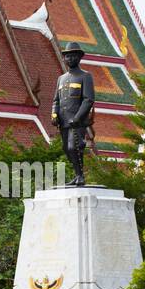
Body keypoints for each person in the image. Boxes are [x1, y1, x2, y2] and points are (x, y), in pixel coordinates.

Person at [52, 42, 95, 187]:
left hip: (77, 120)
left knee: (74, 147)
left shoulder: (85, 76)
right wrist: (54, 114)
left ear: (79, 58)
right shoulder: (61, 79)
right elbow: (56, 100)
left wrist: (77, 118)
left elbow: (88, 99)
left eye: (73, 56)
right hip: (63, 121)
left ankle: (80, 176)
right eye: (67, 56)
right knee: (66, 149)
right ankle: (77, 175)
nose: (70, 59)